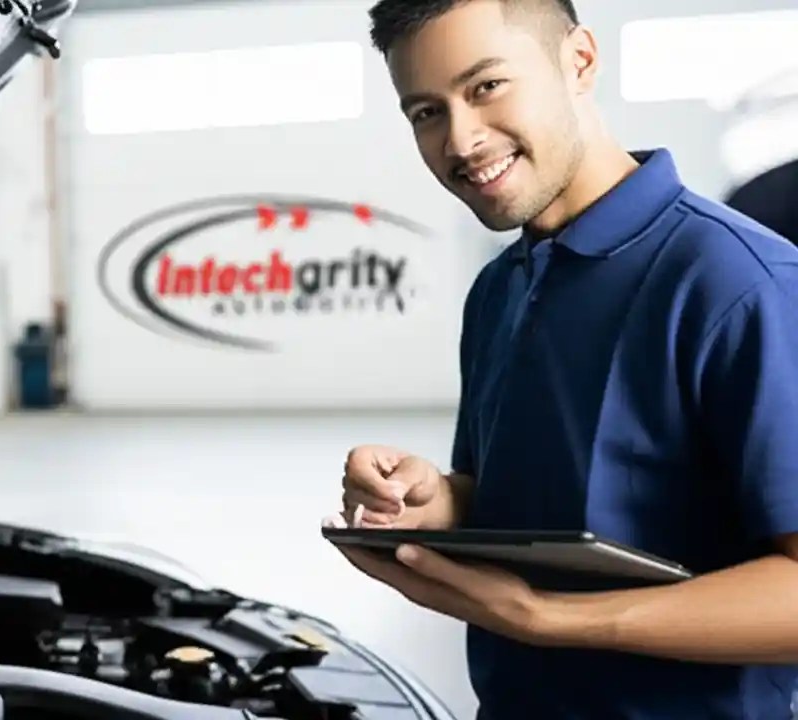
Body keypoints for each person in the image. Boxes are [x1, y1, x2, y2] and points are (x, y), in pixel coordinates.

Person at [327, 0, 798, 718]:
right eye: (426, 111)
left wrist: (549, 618)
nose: (461, 140)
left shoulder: (743, 283)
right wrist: (439, 500)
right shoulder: (498, 289)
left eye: (486, 87)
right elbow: (550, 505)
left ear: (578, 60)